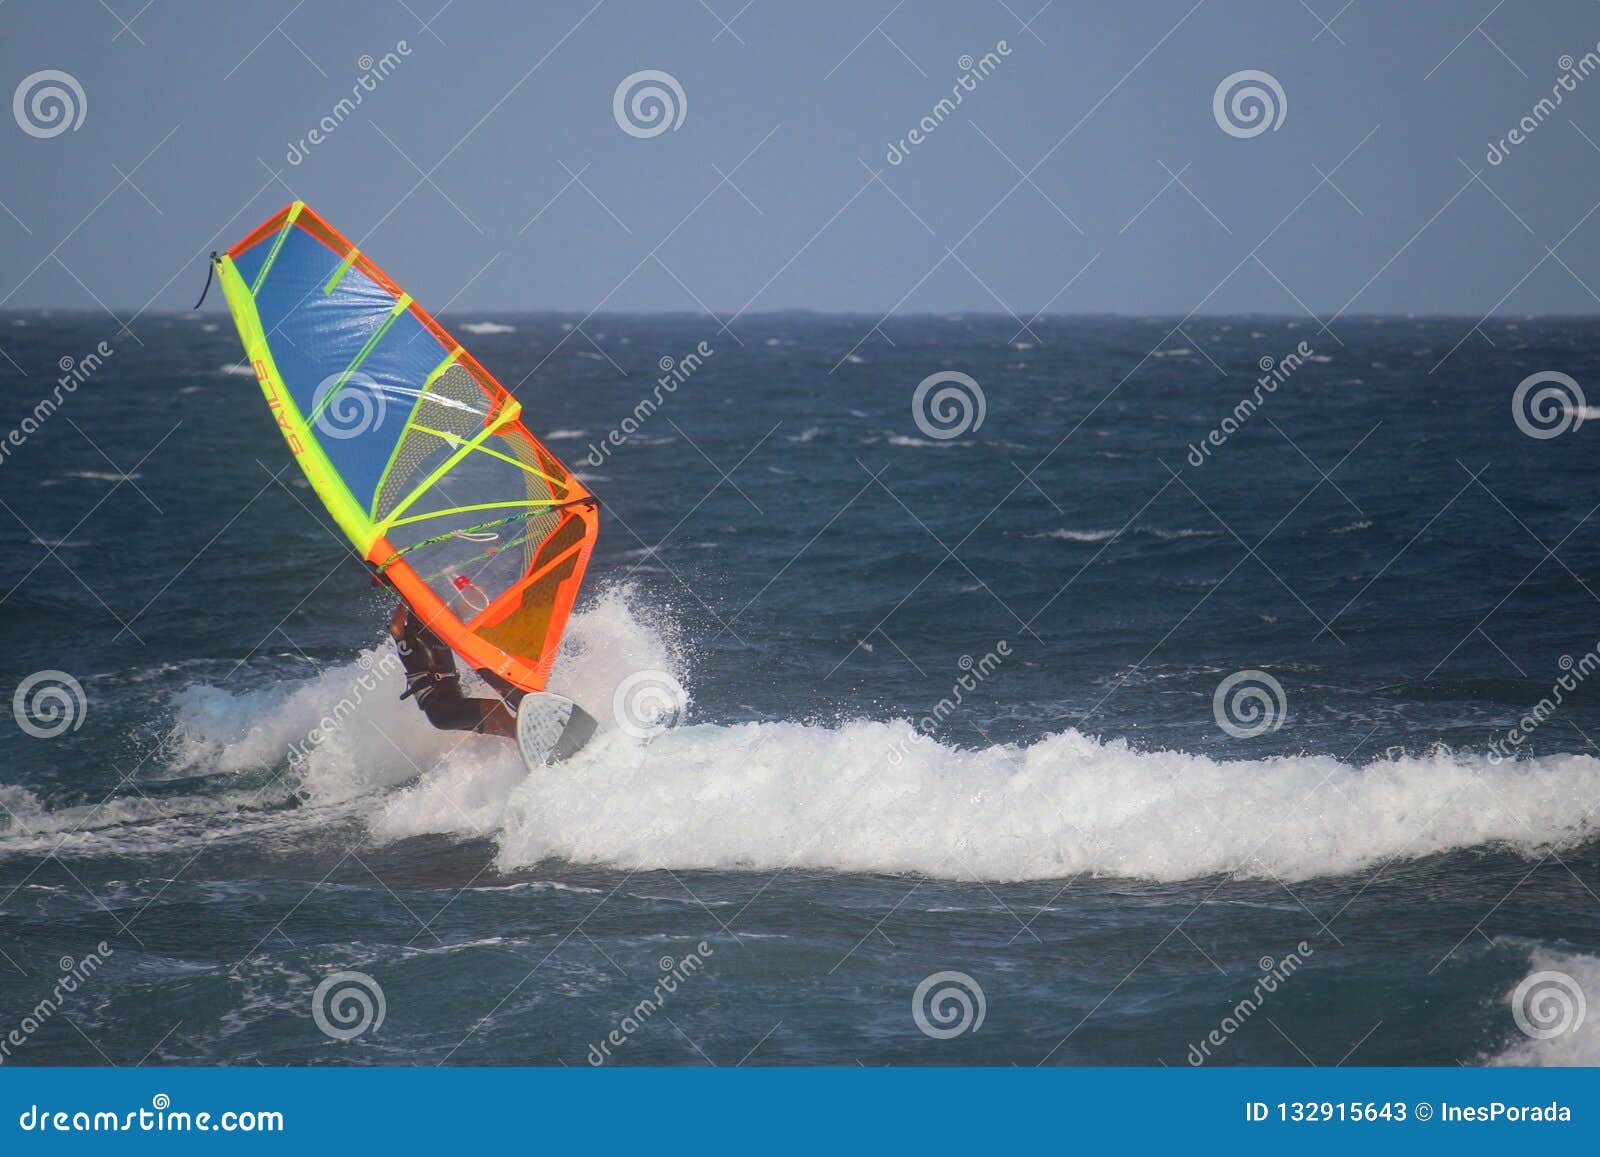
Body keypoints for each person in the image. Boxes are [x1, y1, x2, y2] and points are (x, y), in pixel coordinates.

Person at [387, 604, 519, 738]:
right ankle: (524, 738)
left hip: (451, 706)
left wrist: (472, 592)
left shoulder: (439, 632)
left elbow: (465, 608)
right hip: (440, 710)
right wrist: (404, 600)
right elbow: (395, 629)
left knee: (504, 725)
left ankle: (528, 745)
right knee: (494, 707)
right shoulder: (408, 640)